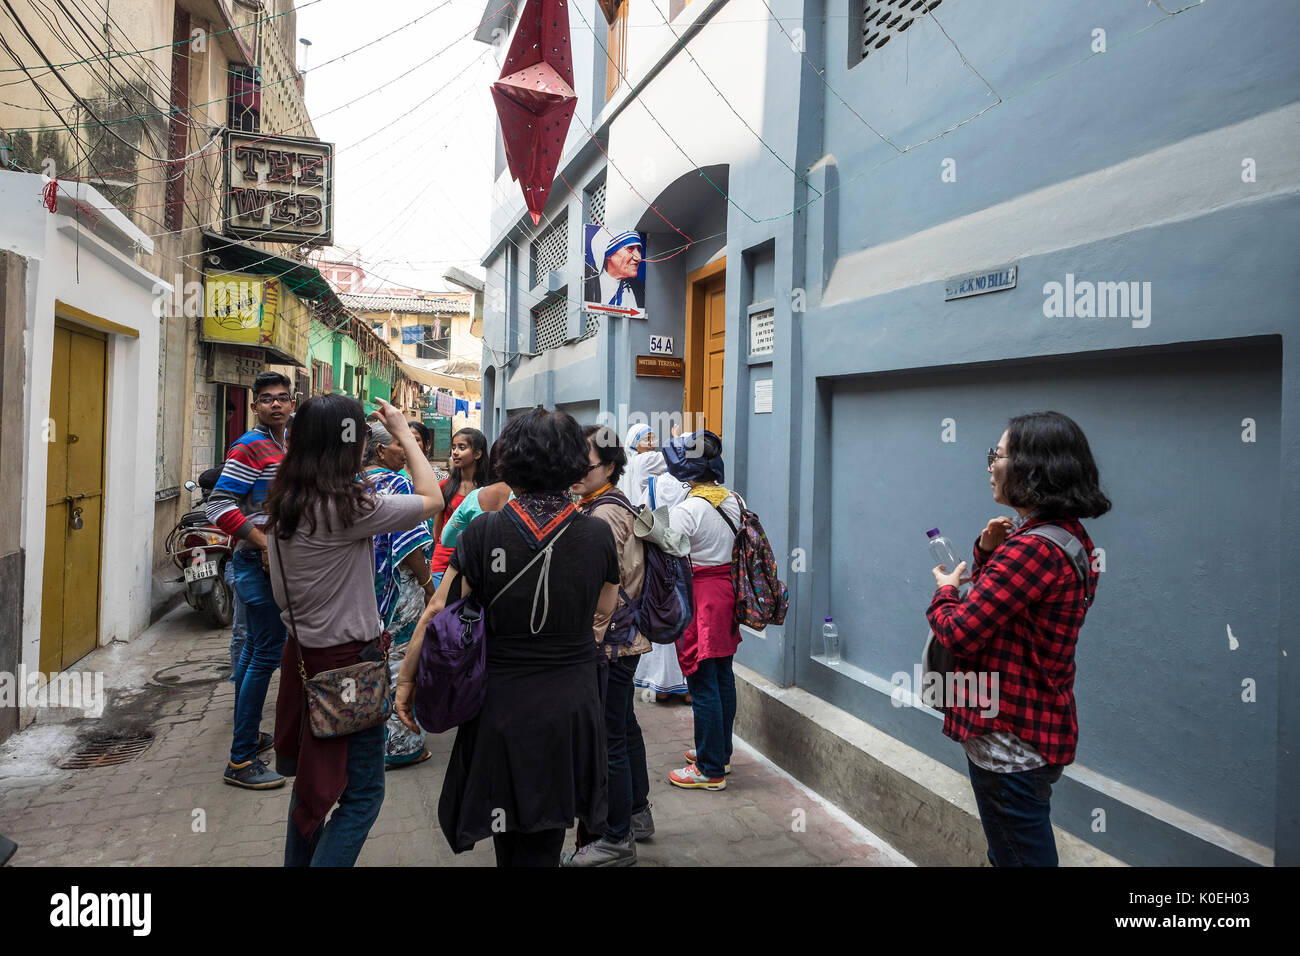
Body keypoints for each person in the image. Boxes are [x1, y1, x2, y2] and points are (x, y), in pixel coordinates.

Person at [395, 407, 619, 867]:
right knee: (550, 817)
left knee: (506, 820)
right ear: (574, 463)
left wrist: (406, 681)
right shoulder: (596, 533)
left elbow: (437, 609)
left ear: (506, 461)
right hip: (571, 699)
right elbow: (605, 609)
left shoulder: (485, 530)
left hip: (500, 699)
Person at [265, 396, 442, 867]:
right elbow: (433, 498)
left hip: (303, 658)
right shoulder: (347, 506)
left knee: (311, 790)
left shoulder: (286, 499)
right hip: (349, 669)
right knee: (362, 795)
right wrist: (405, 432)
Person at [927, 411, 1108, 867]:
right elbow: (1009, 611)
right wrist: (987, 552)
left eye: (998, 455)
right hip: (1037, 722)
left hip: (1010, 739)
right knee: (1012, 850)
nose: (990, 465)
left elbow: (962, 631)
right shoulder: (1068, 538)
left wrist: (945, 592)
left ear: (1033, 466)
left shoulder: (1033, 548)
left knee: (1018, 856)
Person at [563, 426, 654, 866]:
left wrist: (589, 642)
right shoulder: (613, 505)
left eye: (587, 467)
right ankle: (637, 813)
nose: (577, 474)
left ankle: (616, 838)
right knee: (625, 726)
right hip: (627, 639)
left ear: (610, 467)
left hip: (612, 644)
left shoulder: (602, 515)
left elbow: (605, 588)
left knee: (609, 739)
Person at [207, 371, 294, 789]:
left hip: (272, 563)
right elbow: (218, 506)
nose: (275, 404)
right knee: (264, 655)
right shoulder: (249, 447)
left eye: (282, 398)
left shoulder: (287, 443)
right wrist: (263, 544)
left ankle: (250, 735)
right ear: (255, 406)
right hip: (255, 564)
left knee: (255, 652)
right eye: (266, 399)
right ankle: (240, 761)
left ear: (292, 404)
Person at [665, 431, 742, 791]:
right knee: (723, 675)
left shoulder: (688, 509)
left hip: (699, 596)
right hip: (726, 593)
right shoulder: (733, 500)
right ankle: (719, 752)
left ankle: (710, 769)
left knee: (702, 681)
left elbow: (669, 552)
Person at [362, 421, 437, 769]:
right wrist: (427, 585)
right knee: (401, 664)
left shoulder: (355, 482)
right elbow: (409, 547)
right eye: (398, 443)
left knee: (374, 663)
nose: (405, 449)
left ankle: (369, 742)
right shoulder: (397, 483)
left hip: (366, 593)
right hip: (398, 590)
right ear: (380, 450)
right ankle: (401, 746)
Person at [430, 427, 490, 590]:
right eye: (454, 447)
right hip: (443, 561)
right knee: (441, 612)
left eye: (462, 447)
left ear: (478, 453)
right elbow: (437, 533)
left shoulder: (489, 490)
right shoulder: (444, 487)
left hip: (477, 563)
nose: (455, 452)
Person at [583, 231, 645, 308]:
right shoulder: (585, 284)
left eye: (639, 250)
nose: (638, 258)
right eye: (630, 248)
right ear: (608, 254)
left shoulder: (641, 289)